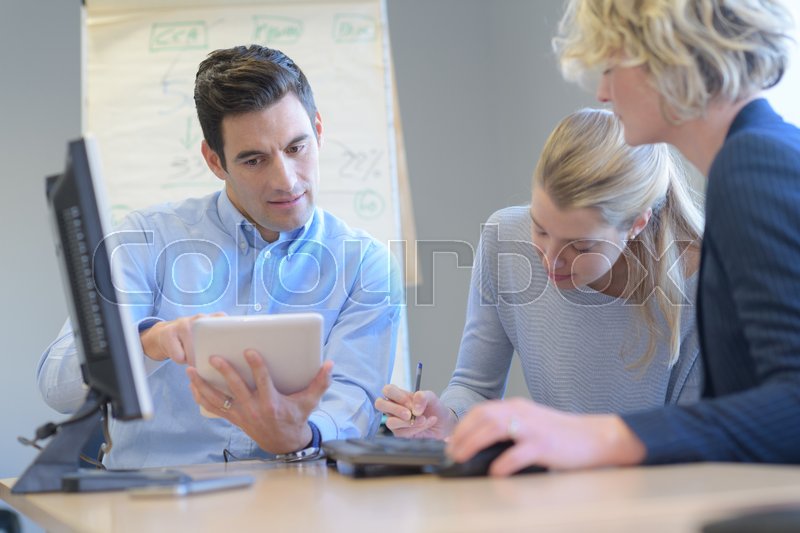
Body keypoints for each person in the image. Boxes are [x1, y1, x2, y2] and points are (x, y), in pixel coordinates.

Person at [447, 0, 800, 475]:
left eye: (612, 66)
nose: (603, 91)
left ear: (668, 61)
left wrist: (599, 434)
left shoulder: (752, 167)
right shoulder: (765, 155)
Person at [38, 45, 402, 469]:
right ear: (215, 161)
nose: (286, 180)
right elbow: (57, 387)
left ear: (318, 131)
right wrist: (149, 342)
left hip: (295, 496)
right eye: (254, 159)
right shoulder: (145, 238)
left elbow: (354, 400)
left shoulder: (364, 264)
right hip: (155, 502)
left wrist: (300, 436)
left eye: (297, 148)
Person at [377, 108, 704, 440]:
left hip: (661, 485)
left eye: (581, 247)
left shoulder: (700, 278)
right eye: (541, 229)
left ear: (637, 223)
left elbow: (695, 433)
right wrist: (445, 419)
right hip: (553, 482)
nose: (552, 260)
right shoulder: (503, 238)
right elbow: (474, 387)